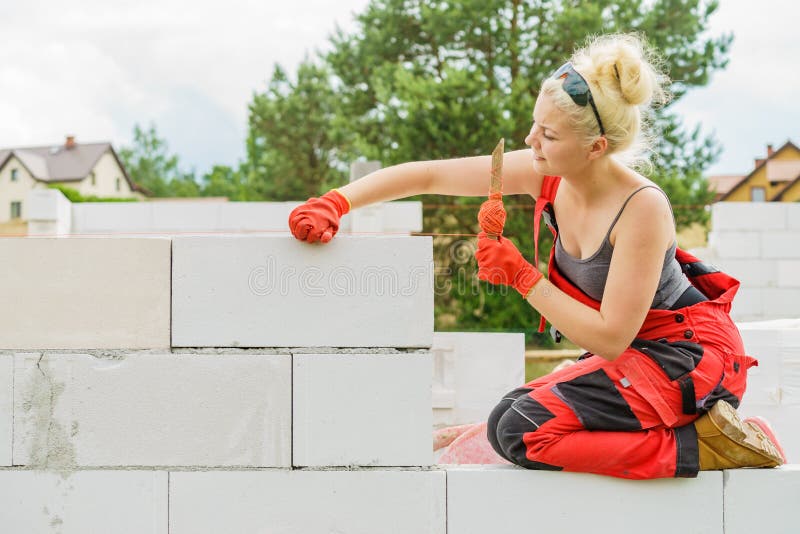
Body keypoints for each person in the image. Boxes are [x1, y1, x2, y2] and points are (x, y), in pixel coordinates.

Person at [287, 33, 786, 479]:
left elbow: (611, 337)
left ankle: (704, 448)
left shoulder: (642, 208)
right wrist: (337, 202)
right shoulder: (546, 173)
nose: (531, 142)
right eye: (534, 127)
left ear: (596, 147)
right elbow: (427, 175)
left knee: (519, 428)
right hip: (637, 356)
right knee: (510, 418)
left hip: (685, 359)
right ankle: (694, 441)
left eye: (548, 135)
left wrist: (521, 276)